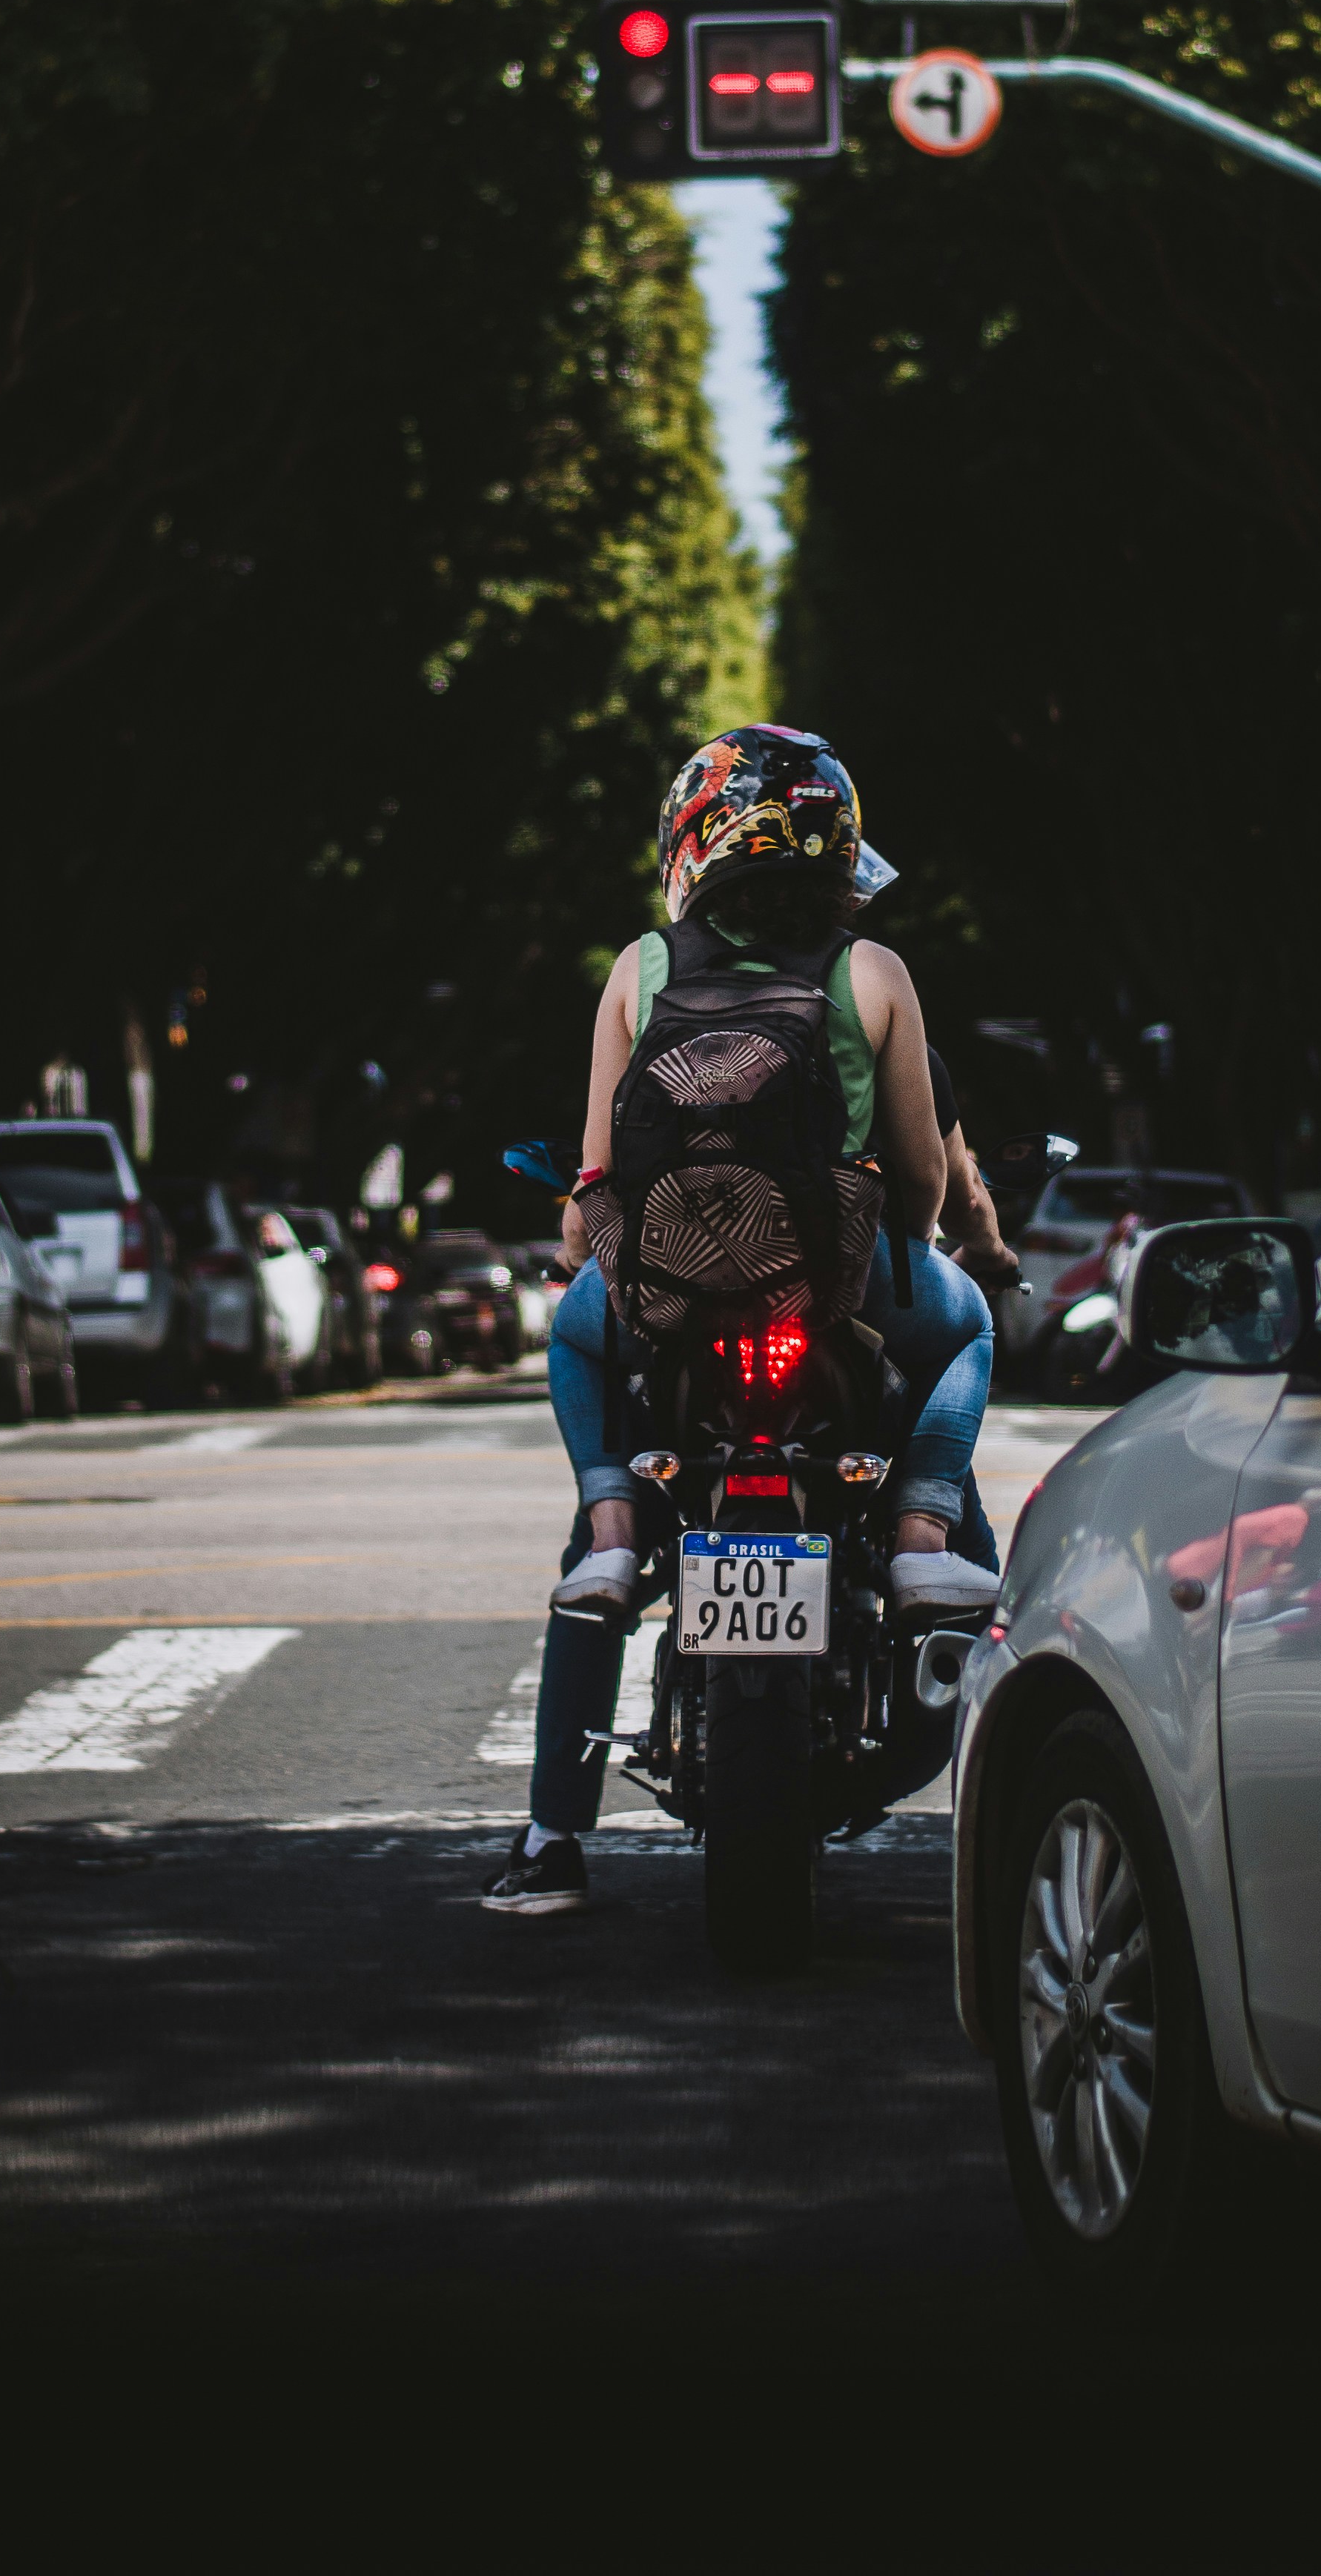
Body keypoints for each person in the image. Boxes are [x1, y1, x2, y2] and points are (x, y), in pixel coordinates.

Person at [484, 724, 1019, 1914]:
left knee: (574, 1344)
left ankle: (613, 1542)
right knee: (969, 1323)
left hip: (668, 1309)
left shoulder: (639, 969)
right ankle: (926, 1541)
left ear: (691, 844)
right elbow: (924, 1178)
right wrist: (911, 1263)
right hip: (835, 1296)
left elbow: (593, 1180)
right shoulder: (872, 974)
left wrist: (604, 1251)